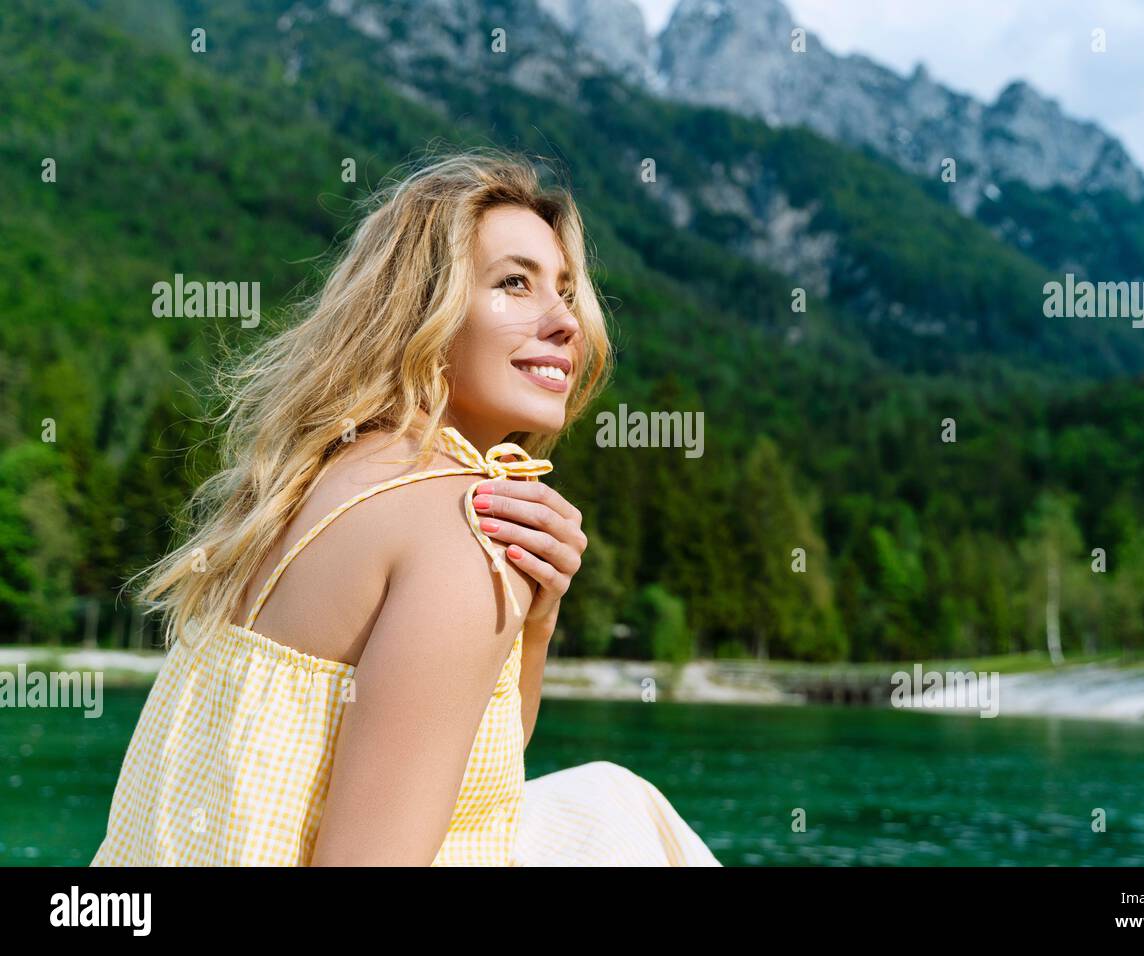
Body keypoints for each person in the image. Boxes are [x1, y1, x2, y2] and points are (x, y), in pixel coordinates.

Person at [89, 149, 721, 867]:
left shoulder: (303, 483)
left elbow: (456, 778)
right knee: (623, 824)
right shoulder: (459, 535)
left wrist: (536, 620)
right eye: (514, 283)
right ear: (422, 308)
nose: (566, 323)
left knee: (606, 801)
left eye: (567, 292)